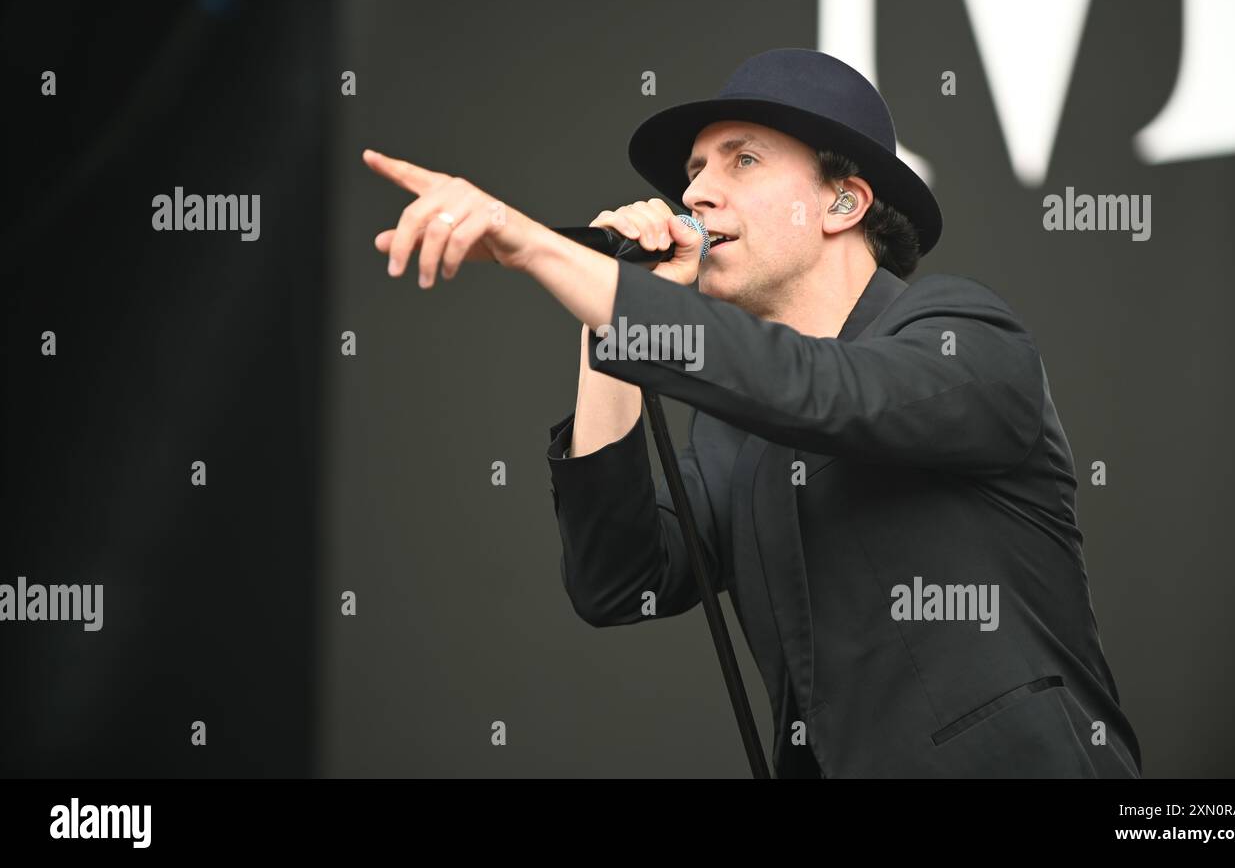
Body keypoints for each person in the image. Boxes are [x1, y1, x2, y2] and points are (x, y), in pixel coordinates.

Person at [366, 47, 1143, 779]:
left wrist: (536, 247)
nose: (697, 192)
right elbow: (619, 578)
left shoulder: (963, 333)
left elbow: (821, 392)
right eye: (695, 171)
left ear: (844, 201)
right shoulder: (732, 432)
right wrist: (608, 306)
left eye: (742, 159)